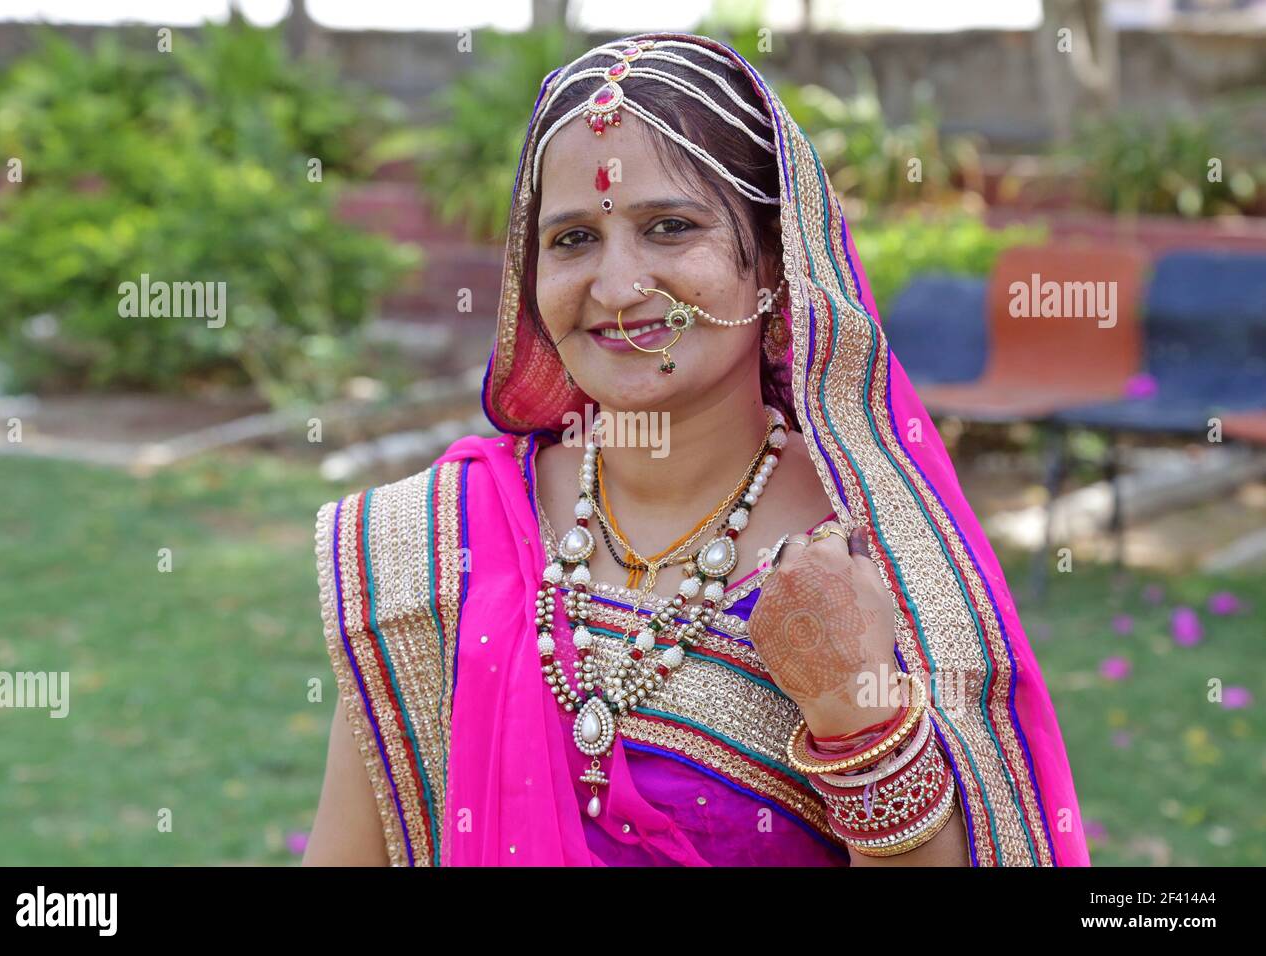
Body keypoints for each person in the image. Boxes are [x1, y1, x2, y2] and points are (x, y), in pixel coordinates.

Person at [302, 31, 1088, 867]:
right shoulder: (436, 541)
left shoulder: (876, 558)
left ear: (775, 267)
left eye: (670, 227)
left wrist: (857, 719)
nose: (616, 288)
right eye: (572, 240)